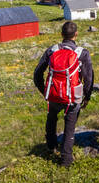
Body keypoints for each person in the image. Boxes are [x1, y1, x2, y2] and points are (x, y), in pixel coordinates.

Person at [33, 21, 93, 166]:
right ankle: (66, 160)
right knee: (69, 127)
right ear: (76, 34)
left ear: (61, 34)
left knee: (52, 118)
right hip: (72, 96)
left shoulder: (52, 50)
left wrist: (45, 91)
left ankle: (51, 146)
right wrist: (87, 97)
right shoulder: (81, 53)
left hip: (54, 95)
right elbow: (88, 77)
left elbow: (37, 74)